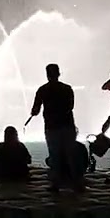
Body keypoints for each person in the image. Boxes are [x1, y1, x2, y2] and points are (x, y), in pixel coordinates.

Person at [30, 63, 82, 192]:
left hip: (52, 127)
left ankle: (56, 184)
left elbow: (35, 109)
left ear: (47, 75)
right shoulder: (67, 88)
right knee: (71, 155)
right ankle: (77, 183)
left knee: (55, 156)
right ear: (59, 74)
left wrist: (35, 113)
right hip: (67, 125)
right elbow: (70, 106)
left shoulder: (42, 90)